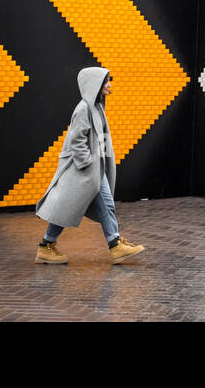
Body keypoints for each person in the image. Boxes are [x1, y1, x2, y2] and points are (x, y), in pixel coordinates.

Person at [34, 66, 146, 264]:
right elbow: (76, 140)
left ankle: (112, 244)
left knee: (77, 206)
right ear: (94, 84)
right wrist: (87, 163)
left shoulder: (96, 106)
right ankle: (112, 244)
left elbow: (99, 137)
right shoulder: (84, 108)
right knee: (67, 206)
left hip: (94, 168)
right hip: (83, 169)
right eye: (106, 82)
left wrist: (99, 163)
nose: (109, 85)